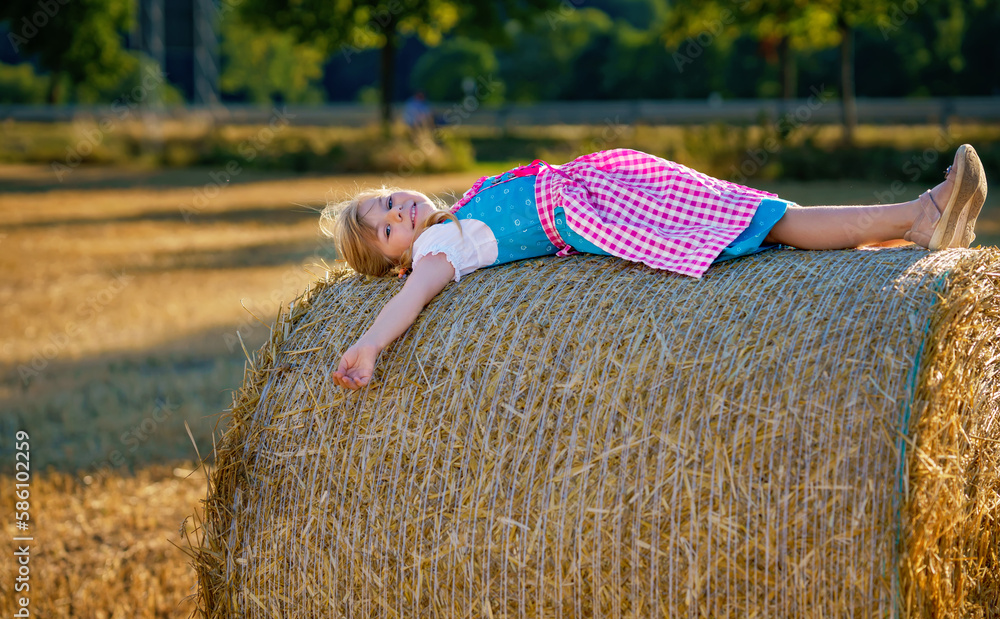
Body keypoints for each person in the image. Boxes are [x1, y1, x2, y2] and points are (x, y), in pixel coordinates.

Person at [322, 146, 988, 390]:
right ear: (397, 260)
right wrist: (370, 344)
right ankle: (917, 215)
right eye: (385, 229)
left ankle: (904, 227)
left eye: (387, 200)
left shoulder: (457, 211)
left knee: (749, 209)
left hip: (602, 186)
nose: (397, 211)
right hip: (601, 213)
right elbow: (407, 303)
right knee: (761, 220)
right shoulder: (438, 255)